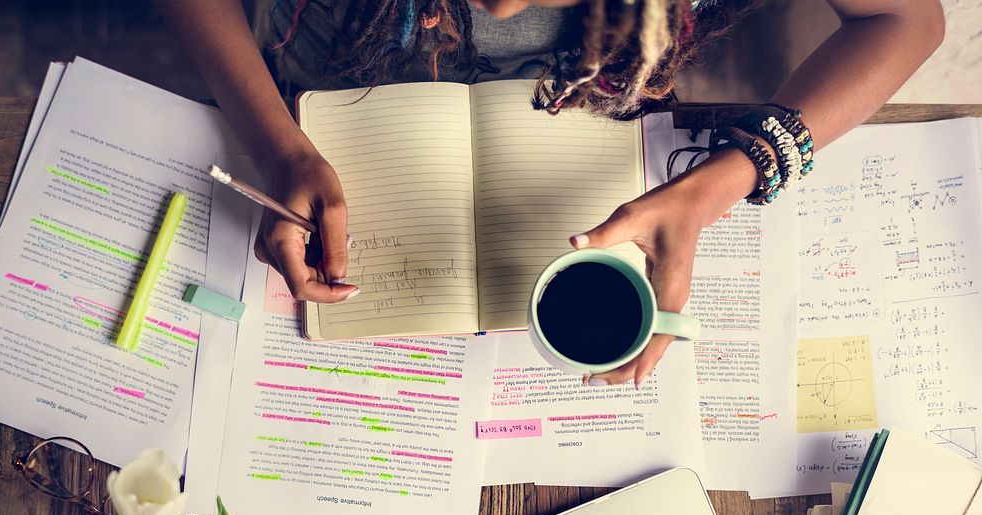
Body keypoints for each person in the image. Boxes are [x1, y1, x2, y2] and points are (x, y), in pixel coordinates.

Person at [155, 0, 944, 387]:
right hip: (316, 67)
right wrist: (276, 141)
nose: (498, 9)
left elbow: (905, 19)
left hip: (594, 104)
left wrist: (719, 184)